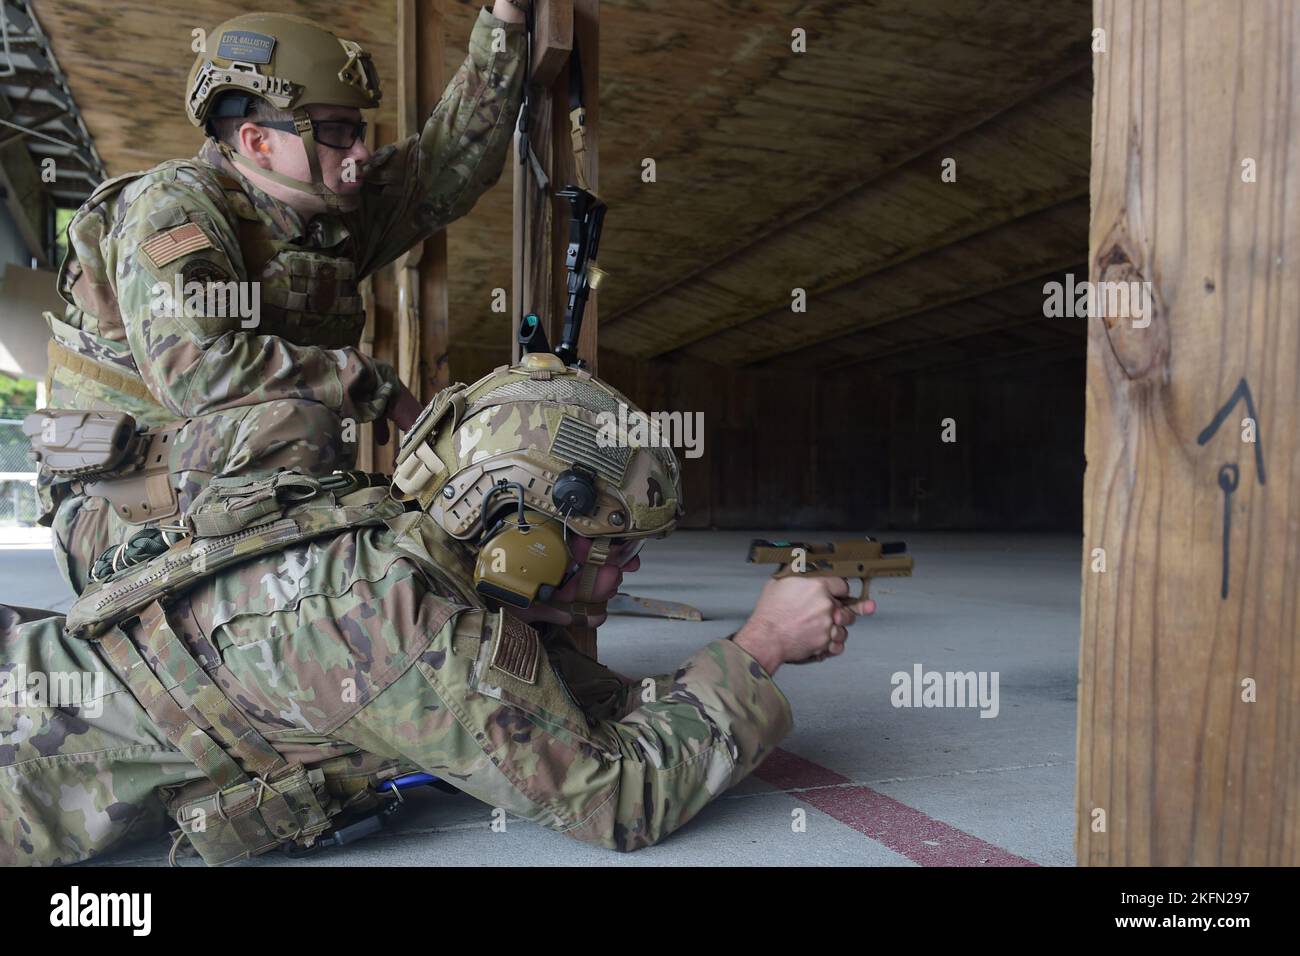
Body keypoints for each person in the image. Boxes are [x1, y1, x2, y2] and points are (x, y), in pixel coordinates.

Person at [0, 356, 874, 865]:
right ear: (524, 539)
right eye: (614, 552)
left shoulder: (398, 545)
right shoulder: (406, 628)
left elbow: (565, 707)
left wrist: (718, 668)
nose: (627, 574)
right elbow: (618, 796)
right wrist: (761, 648)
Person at [35, 2, 529, 596]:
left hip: (212, 477)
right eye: (338, 133)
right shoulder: (172, 209)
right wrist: (369, 381)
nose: (360, 153)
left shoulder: (324, 213)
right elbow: (196, 373)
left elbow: (449, 167)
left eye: (359, 131)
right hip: (121, 511)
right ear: (256, 141)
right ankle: (267, 616)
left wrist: (505, 23)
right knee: (301, 424)